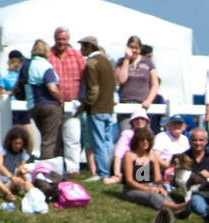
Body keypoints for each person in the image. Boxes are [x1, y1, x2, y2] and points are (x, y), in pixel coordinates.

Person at [121, 127, 186, 214]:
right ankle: (174, 207)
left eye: (147, 140)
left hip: (151, 184)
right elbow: (129, 181)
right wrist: (148, 188)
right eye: (142, 140)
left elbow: (158, 178)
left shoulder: (153, 156)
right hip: (132, 189)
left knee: (163, 194)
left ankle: (177, 209)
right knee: (152, 195)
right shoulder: (129, 156)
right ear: (136, 141)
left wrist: (160, 187)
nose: (145, 142)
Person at [47, 27, 85, 173]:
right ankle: (54, 168)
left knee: (73, 138)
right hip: (53, 103)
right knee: (53, 138)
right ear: (54, 39)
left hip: (72, 103)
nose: (61, 42)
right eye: (58, 39)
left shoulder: (77, 55)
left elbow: (85, 78)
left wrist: (81, 99)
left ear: (68, 40)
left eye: (64, 39)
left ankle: (72, 169)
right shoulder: (49, 55)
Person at [79, 36, 116, 183]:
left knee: (99, 142)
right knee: (107, 141)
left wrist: (85, 105)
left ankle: (102, 172)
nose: (81, 49)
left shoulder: (91, 63)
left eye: (82, 46)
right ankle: (107, 170)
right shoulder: (107, 62)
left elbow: (93, 90)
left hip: (97, 109)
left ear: (89, 47)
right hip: (108, 108)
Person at [25, 40, 63, 161]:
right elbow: (52, 88)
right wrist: (60, 99)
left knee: (45, 137)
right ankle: (46, 171)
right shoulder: (45, 66)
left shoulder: (26, 66)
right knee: (50, 141)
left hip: (33, 106)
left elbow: (19, 86)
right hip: (49, 105)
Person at [116, 36, 159, 132]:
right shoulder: (121, 61)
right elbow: (121, 80)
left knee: (143, 135)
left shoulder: (148, 63)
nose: (134, 50)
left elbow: (154, 84)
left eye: (136, 48)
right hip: (125, 103)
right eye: (131, 47)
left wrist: (149, 100)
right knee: (126, 133)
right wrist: (127, 59)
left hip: (142, 105)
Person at [105, 106, 152, 183]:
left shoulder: (149, 134)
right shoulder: (127, 134)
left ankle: (143, 179)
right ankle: (120, 178)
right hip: (128, 162)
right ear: (132, 122)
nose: (140, 121)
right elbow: (118, 154)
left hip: (143, 162)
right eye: (137, 119)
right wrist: (117, 173)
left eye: (142, 119)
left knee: (145, 157)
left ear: (146, 121)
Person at [0, 125, 34, 203]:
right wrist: (12, 177)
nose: (18, 146)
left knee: (23, 176)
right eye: (16, 143)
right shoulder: (2, 149)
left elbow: (21, 166)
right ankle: (7, 193)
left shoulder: (22, 153)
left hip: (10, 182)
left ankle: (34, 193)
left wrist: (22, 170)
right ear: (10, 142)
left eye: (20, 144)